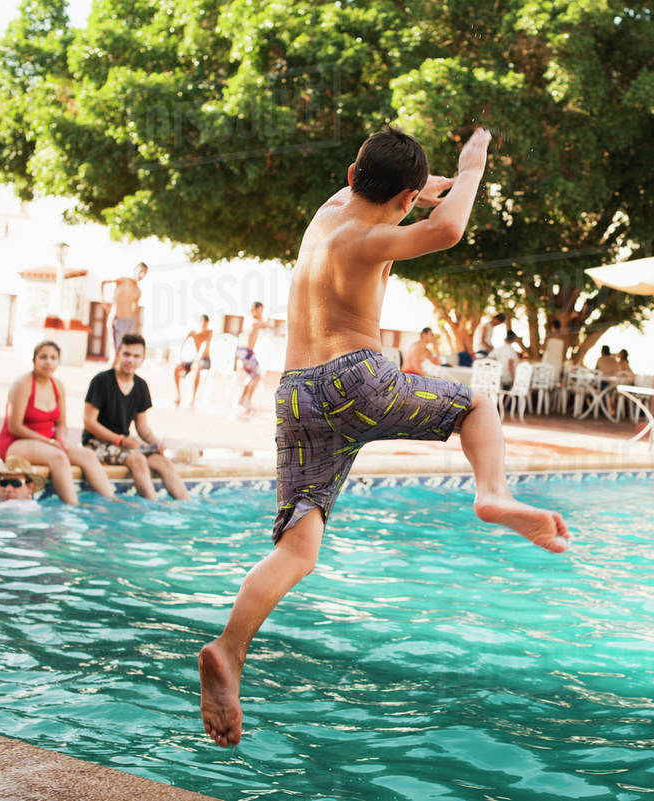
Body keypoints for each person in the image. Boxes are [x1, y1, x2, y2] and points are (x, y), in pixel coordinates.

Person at [197, 126, 569, 748]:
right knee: (474, 405)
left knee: (297, 550)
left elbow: (408, 201)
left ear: (351, 175)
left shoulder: (330, 213)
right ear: (404, 200)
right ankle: (493, 493)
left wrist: (428, 189)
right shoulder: (373, 240)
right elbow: (448, 231)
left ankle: (229, 650)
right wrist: (471, 170)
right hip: (356, 380)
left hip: (296, 391)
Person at [0, 340, 115, 504]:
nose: (48, 362)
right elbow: (15, 427)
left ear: (58, 362)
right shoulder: (23, 384)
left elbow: (61, 424)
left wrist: (61, 440)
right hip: (15, 443)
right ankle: (74, 506)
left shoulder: (57, 385)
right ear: (34, 360)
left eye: (53, 358)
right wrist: (50, 442)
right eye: (43, 357)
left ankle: (111, 500)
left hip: (48, 442)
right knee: (58, 457)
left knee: (87, 455)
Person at [82, 333, 190, 500]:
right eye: (126, 354)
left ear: (143, 359)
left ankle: (185, 506)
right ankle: (151, 507)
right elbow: (89, 422)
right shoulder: (101, 381)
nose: (130, 360)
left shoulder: (141, 386)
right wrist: (120, 440)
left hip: (124, 443)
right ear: (118, 353)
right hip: (96, 442)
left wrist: (156, 443)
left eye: (136, 356)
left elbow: (142, 427)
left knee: (163, 462)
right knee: (138, 460)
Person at [102, 262, 147, 358]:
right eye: (141, 271)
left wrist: (135, 328)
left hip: (129, 322)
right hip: (117, 320)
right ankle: (107, 373)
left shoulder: (138, 291)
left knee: (125, 354)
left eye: (144, 273)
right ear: (135, 270)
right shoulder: (123, 280)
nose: (142, 275)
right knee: (116, 354)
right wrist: (103, 302)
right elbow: (103, 282)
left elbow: (134, 309)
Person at [236, 301, 274, 413]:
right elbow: (266, 325)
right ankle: (247, 400)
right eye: (261, 310)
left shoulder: (249, 321)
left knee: (252, 376)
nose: (262, 313)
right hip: (247, 352)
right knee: (256, 377)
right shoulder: (254, 322)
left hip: (243, 352)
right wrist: (269, 314)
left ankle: (242, 399)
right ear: (255, 310)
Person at [174, 314, 214, 407]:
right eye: (203, 324)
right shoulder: (193, 332)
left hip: (205, 360)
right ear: (200, 323)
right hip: (194, 359)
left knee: (197, 370)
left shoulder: (209, 332)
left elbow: (204, 347)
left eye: (206, 325)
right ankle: (179, 396)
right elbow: (182, 344)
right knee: (177, 369)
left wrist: (196, 362)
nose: (204, 327)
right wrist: (180, 358)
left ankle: (193, 398)